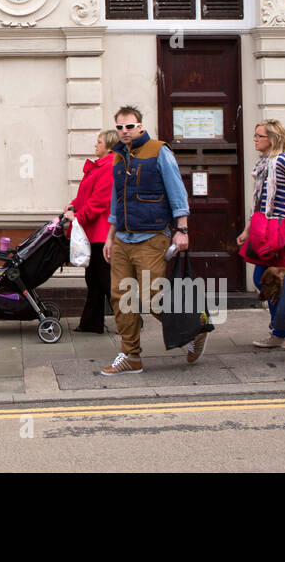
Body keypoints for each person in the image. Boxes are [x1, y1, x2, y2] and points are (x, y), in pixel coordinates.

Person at [99, 105, 207, 375]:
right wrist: (110, 237)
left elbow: (177, 191)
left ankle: (194, 330)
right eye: (120, 127)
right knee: (121, 298)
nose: (124, 131)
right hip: (123, 238)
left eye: (129, 126)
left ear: (140, 126)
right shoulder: (117, 157)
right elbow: (116, 200)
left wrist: (181, 229)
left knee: (154, 297)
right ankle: (131, 355)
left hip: (152, 237)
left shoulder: (159, 151)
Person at [239, 119, 285, 349]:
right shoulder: (264, 163)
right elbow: (260, 202)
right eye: (255, 135)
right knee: (263, 280)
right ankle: (281, 329)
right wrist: (247, 230)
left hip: (281, 230)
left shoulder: (282, 161)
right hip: (265, 229)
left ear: (272, 139)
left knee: (273, 281)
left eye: (259, 136)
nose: (255, 139)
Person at [64, 128, 117, 333]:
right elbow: (86, 196)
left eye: (100, 142)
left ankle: (130, 320)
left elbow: (99, 202)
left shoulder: (108, 168)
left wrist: (78, 216)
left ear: (110, 147)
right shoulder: (99, 167)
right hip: (94, 231)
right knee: (94, 278)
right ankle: (91, 323)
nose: (96, 145)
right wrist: (73, 205)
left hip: (101, 232)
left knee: (104, 279)